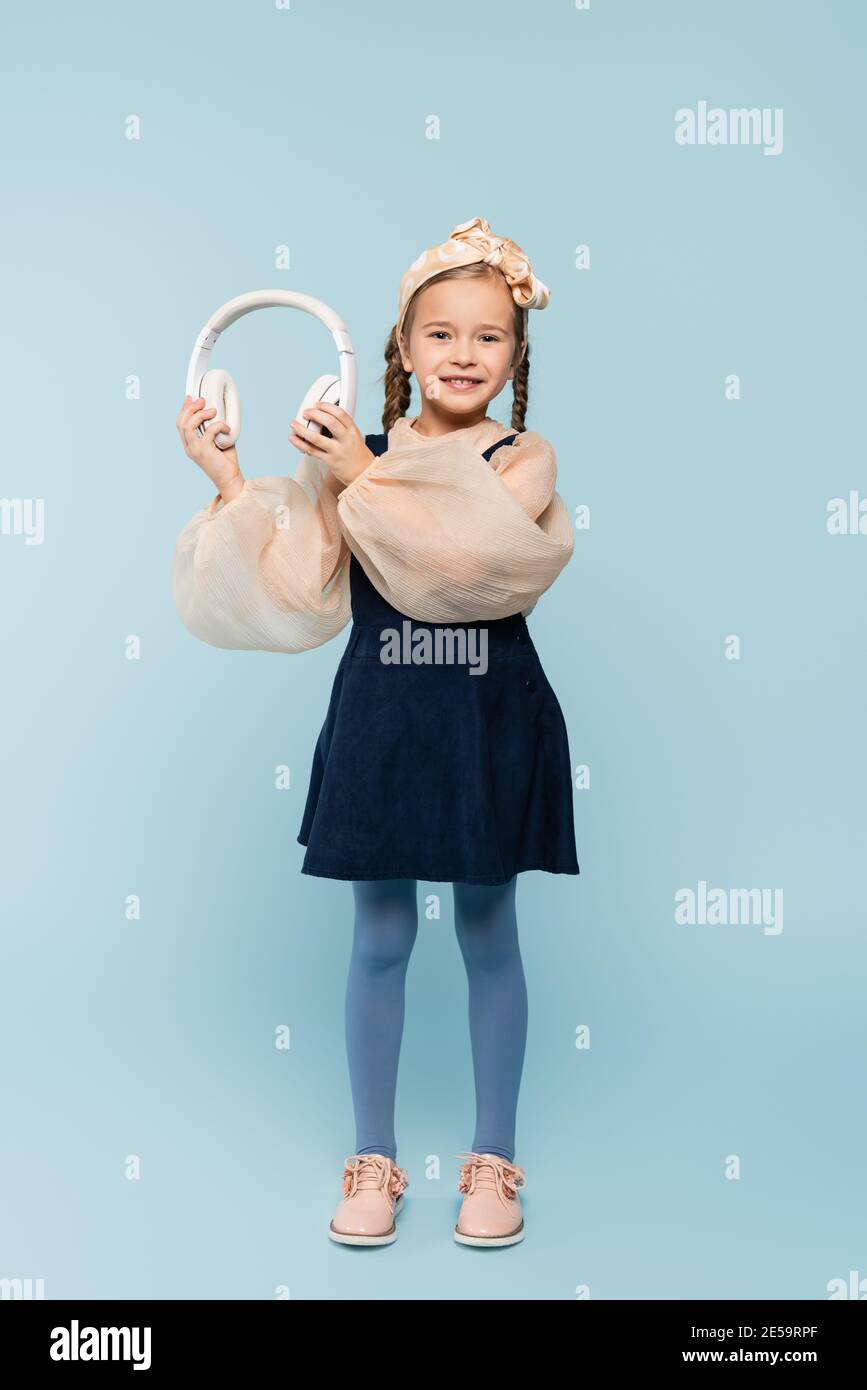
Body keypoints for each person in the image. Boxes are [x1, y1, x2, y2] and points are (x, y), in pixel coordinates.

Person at [172, 216, 580, 1248]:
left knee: (490, 933)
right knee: (382, 937)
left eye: (488, 337)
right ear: (402, 348)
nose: (463, 355)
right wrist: (231, 481)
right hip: (384, 712)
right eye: (440, 334)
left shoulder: (522, 459)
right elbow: (303, 585)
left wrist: (357, 470)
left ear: (514, 357)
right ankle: (375, 1158)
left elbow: (462, 571)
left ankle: (492, 1160)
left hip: (489, 707)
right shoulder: (362, 452)